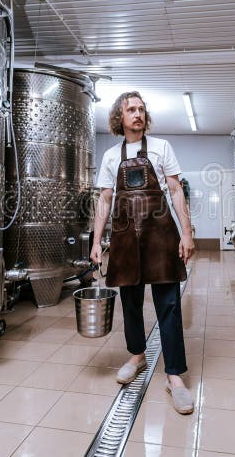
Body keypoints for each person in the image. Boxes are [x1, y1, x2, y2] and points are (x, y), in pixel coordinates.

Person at [90, 91, 196, 414]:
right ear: (119, 118)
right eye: (130, 109)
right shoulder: (111, 157)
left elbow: (176, 190)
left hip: (161, 234)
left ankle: (175, 375)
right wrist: (96, 241)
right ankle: (137, 355)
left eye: (141, 109)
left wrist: (187, 232)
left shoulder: (162, 148)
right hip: (124, 238)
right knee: (130, 303)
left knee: (169, 305)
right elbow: (105, 200)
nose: (137, 114)